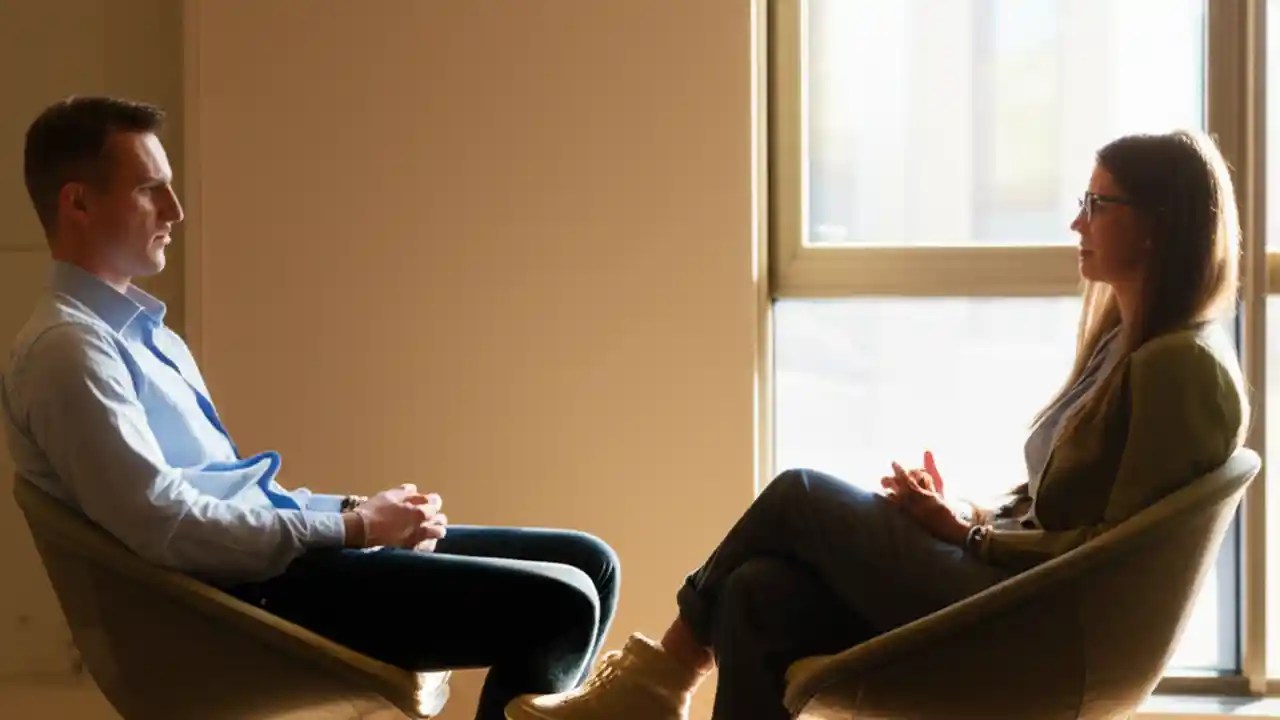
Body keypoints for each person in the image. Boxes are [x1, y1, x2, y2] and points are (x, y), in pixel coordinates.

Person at [504, 128, 1250, 720]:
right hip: (1016, 589)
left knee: (797, 492)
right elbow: (1062, 504)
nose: (1074, 221)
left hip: (1043, 629)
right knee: (756, 593)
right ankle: (656, 690)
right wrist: (964, 511)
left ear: (1157, 226)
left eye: (1098, 204)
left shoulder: (1177, 368)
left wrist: (969, 538)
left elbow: (1109, 558)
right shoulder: (1124, 344)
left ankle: (656, 685)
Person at [2, 96, 619, 720]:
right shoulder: (68, 352)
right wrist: (355, 529)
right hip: (243, 603)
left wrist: (359, 511)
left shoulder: (143, 334)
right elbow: (165, 524)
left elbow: (225, 496)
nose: (176, 211)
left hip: (272, 568)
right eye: (150, 189)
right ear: (78, 202)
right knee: (561, 604)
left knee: (591, 561)